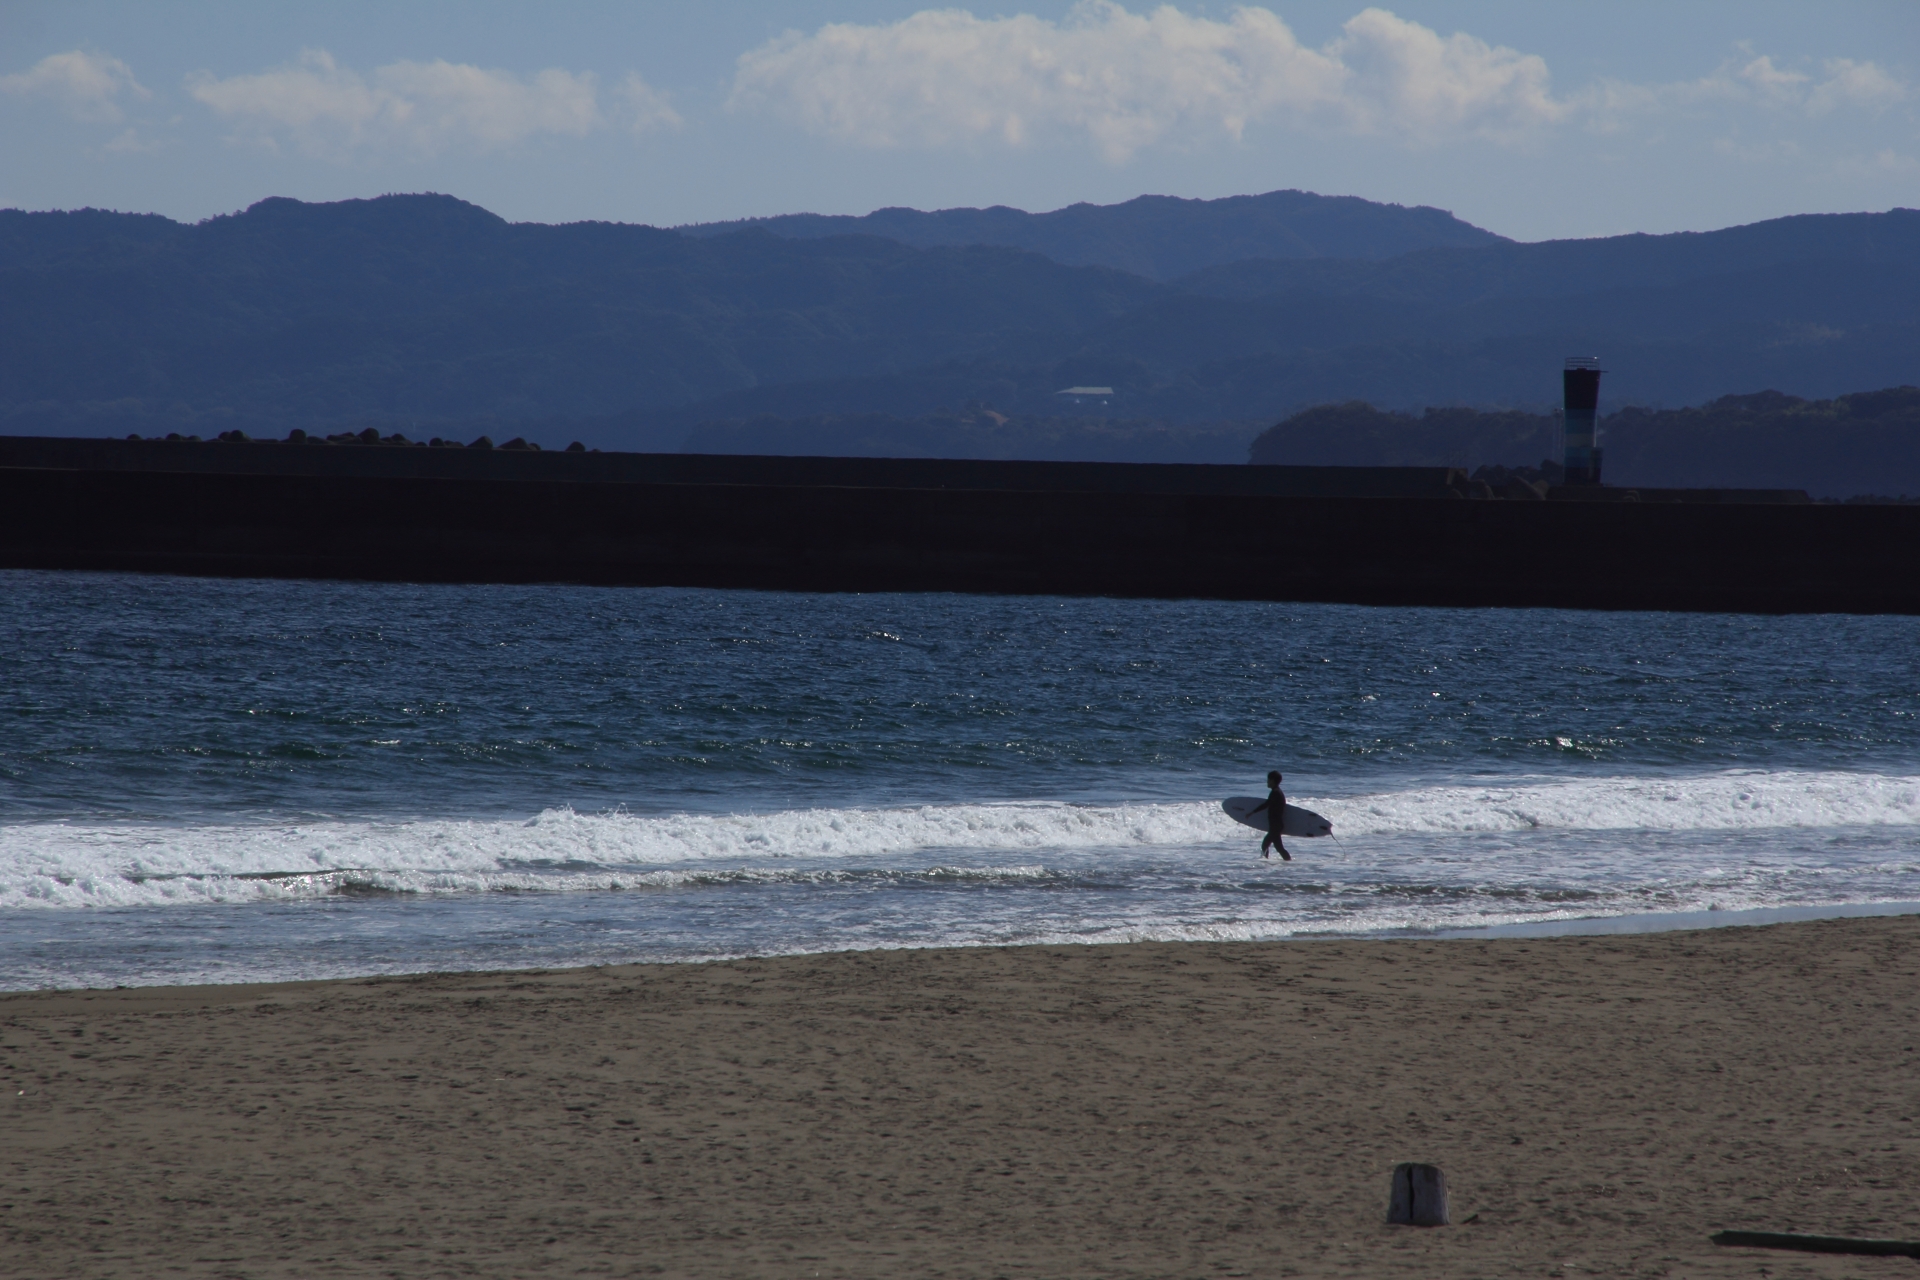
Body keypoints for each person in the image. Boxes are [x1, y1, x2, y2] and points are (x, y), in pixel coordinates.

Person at [1250, 770, 1290, 860]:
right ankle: (1287, 862)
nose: (1267, 782)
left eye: (1268, 780)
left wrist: (1253, 812)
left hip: (1276, 825)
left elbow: (1266, 804)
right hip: (1276, 825)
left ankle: (1266, 863)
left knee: (1266, 845)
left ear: (1273, 780)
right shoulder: (1277, 792)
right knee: (1277, 847)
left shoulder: (1275, 793)